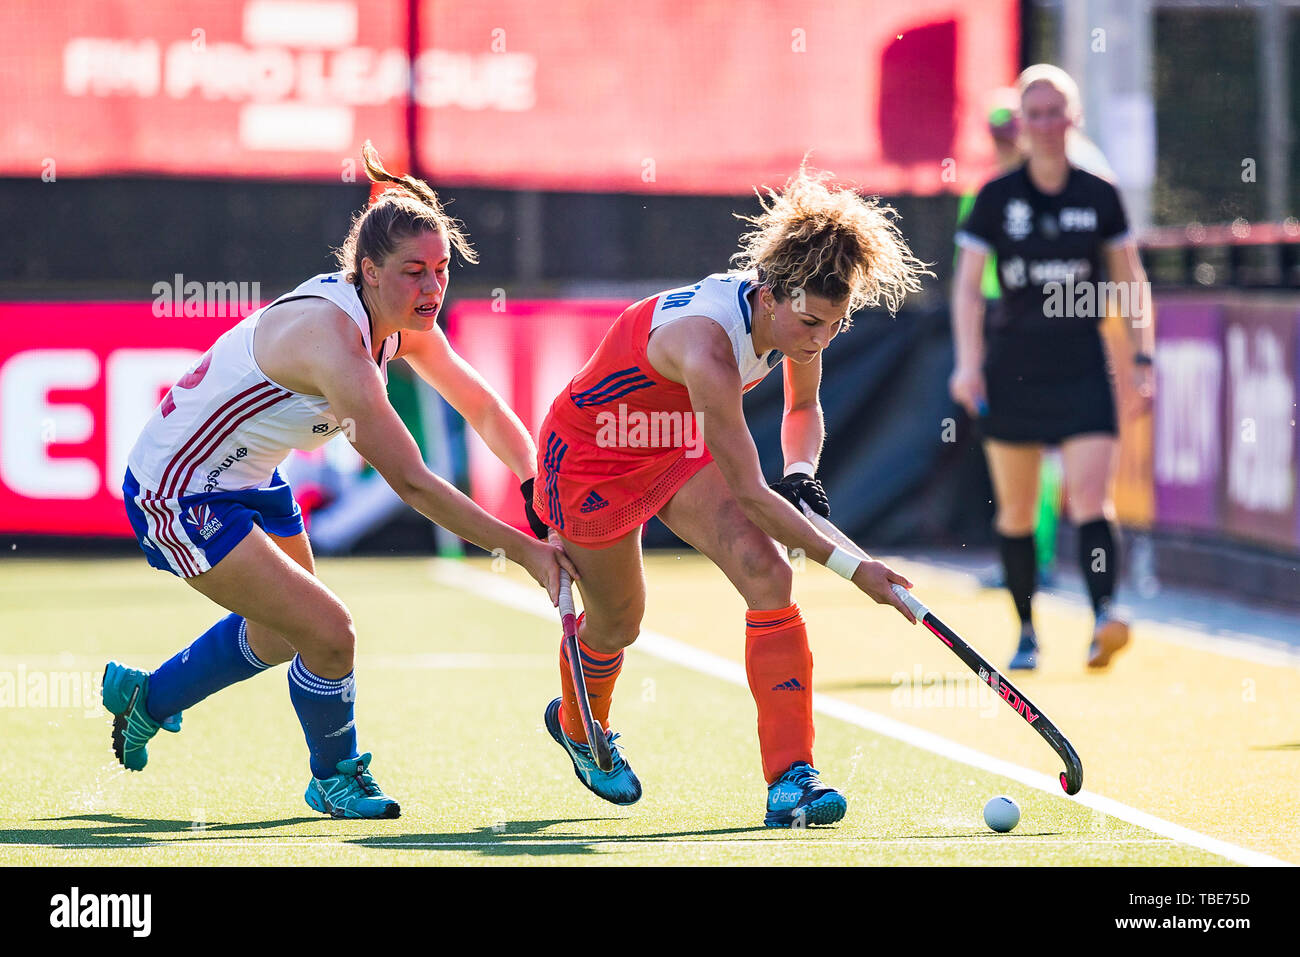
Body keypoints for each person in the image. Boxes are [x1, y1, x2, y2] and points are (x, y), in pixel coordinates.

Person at [105, 142, 575, 819]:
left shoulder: (402, 325)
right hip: (177, 488)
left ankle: (147, 699)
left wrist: (537, 485)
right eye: (414, 272)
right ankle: (334, 777)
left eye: (441, 271)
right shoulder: (336, 341)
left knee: (278, 633)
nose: (431, 289)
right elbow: (411, 480)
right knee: (330, 632)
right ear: (368, 270)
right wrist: (526, 550)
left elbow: (480, 405)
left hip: (250, 478)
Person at [531, 167, 929, 827]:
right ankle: (577, 722)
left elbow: (804, 407)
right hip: (592, 458)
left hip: (672, 443)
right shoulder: (707, 347)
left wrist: (801, 468)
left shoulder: (804, 316)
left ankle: (791, 780)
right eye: (809, 323)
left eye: (833, 326)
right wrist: (860, 571)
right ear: (768, 295)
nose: (818, 339)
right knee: (621, 620)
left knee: (769, 573)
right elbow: (749, 490)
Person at [950, 65, 1155, 671]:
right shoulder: (996, 198)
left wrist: (1143, 358)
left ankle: (1102, 617)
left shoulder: (1098, 194)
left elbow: (1130, 280)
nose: (1042, 125)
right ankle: (1026, 630)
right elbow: (966, 290)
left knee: (1093, 501)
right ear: (1021, 122)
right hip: (1011, 369)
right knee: (1016, 512)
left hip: (1083, 368)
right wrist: (968, 364)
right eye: (1032, 114)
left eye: (1053, 112)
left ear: (1073, 120)